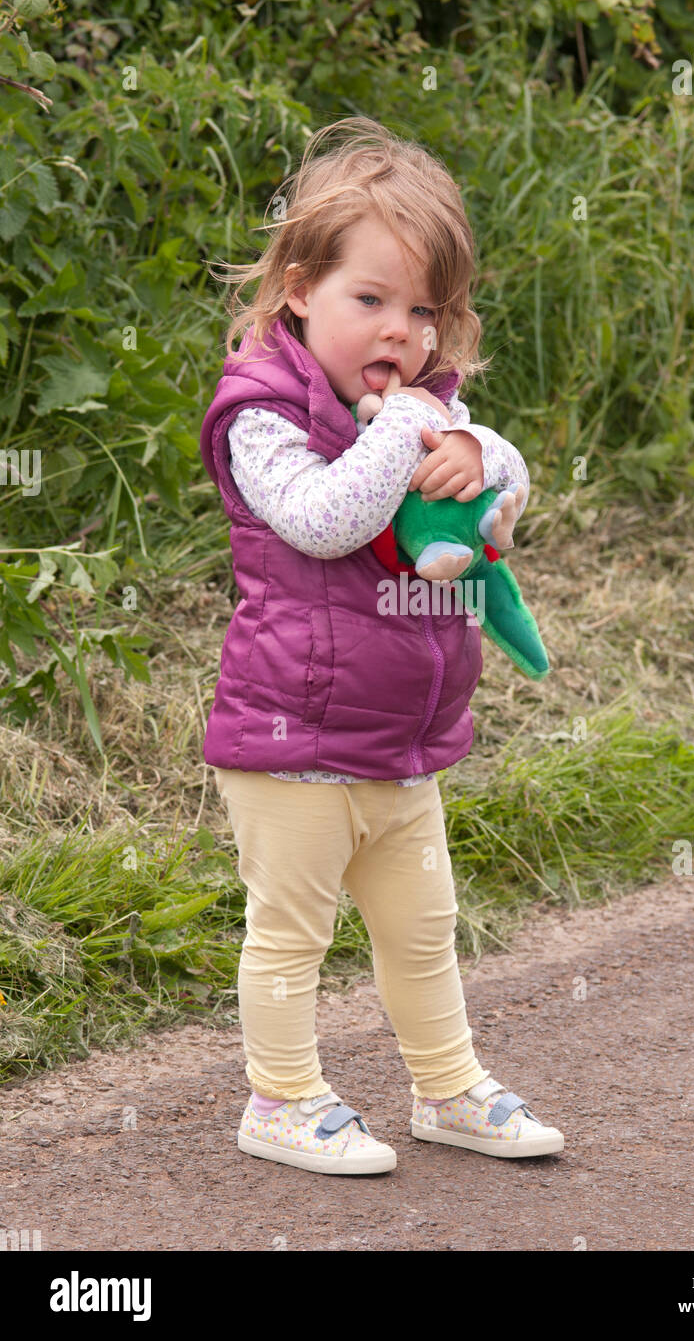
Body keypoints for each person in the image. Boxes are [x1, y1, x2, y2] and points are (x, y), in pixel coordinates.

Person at [200, 115, 564, 1175]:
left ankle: (446, 1088)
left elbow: (498, 511)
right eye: (370, 300)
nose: (399, 331)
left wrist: (479, 449)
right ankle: (280, 1100)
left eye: (423, 311)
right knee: (290, 935)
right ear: (299, 288)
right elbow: (324, 520)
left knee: (421, 930)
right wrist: (403, 428)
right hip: (288, 732)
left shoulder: (423, 407)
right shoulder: (259, 414)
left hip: (404, 735)